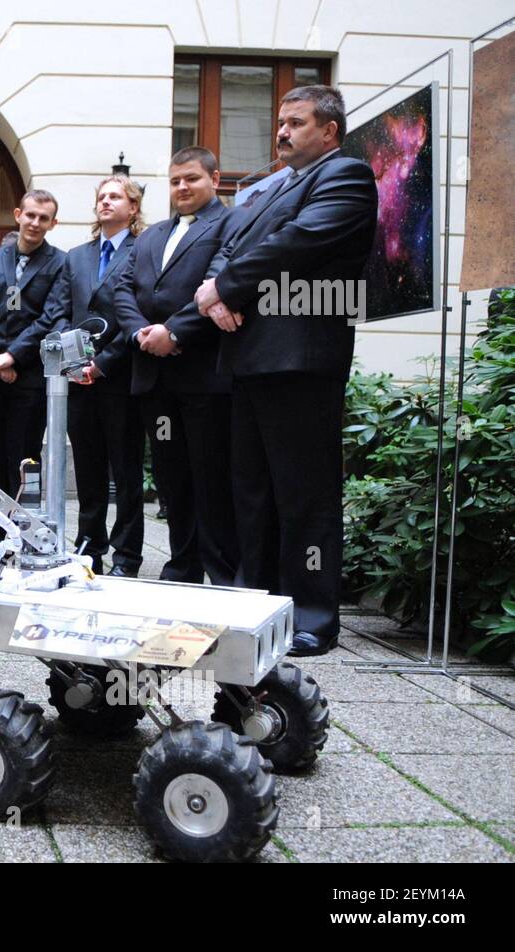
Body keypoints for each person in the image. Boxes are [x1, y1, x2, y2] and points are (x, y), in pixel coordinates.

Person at [195, 85, 378, 656]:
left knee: (304, 495)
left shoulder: (345, 175)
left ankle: (314, 615)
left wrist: (224, 286)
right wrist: (217, 292)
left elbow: (297, 243)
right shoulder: (281, 186)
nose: (281, 132)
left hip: (300, 357)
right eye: (280, 122)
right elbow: (236, 243)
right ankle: (259, 602)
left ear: (329, 130)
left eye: (295, 123)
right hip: (250, 357)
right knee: (253, 492)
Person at [111, 147, 238, 586]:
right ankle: (182, 566)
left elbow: (218, 284)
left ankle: (222, 574)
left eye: (192, 179)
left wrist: (175, 333)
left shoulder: (229, 224)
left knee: (210, 477)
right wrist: (142, 334)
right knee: (171, 480)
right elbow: (123, 289)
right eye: (175, 180)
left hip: (203, 377)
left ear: (214, 179)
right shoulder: (150, 236)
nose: (182, 187)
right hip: (154, 378)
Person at [43, 175, 145, 576]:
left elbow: (139, 312)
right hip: (78, 382)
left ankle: (127, 555)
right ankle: (89, 548)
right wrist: (70, 359)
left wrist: (102, 363)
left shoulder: (144, 250)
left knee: (125, 470)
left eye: (115, 196)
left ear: (133, 208)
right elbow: (60, 309)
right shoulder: (77, 257)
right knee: (87, 470)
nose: (106, 202)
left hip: (120, 378)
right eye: (102, 197)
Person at [0, 189, 67, 564]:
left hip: (29, 380)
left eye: (44, 218)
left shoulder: (60, 264)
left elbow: (52, 317)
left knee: (25, 462)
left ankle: (25, 538)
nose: (35, 223)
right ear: (17, 215)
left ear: (52, 223)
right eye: (30, 215)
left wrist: (13, 357)